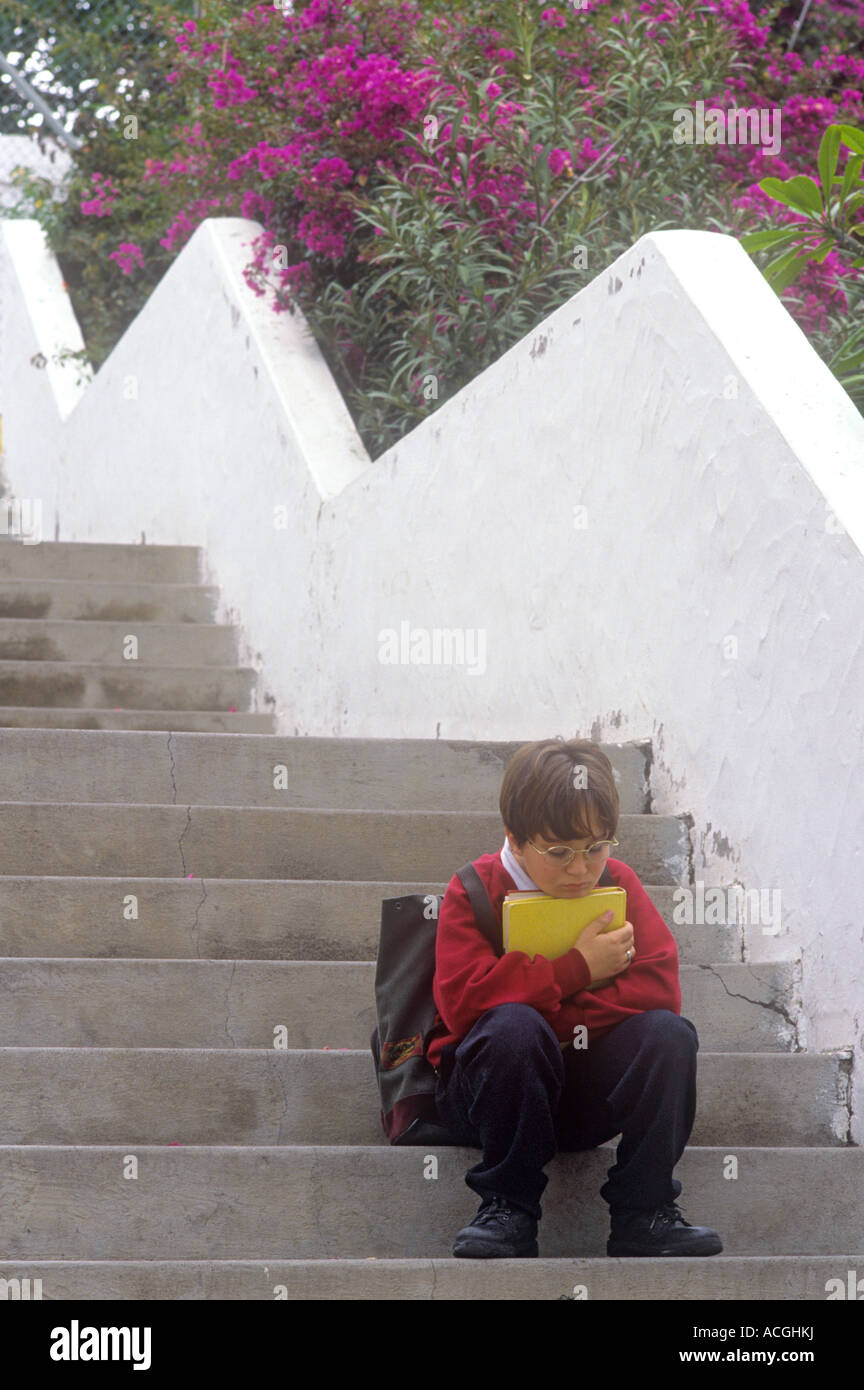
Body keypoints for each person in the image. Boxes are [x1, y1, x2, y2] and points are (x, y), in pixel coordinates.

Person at [425, 736, 723, 1258]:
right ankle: (506, 1209)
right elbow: (466, 1005)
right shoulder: (472, 891)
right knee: (513, 1028)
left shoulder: (618, 885)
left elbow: (659, 989)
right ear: (515, 839)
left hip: (579, 1096)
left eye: (595, 848)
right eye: (558, 852)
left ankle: (643, 1212)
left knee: (669, 1035)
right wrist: (578, 968)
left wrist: (552, 1020)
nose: (580, 870)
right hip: (490, 1091)